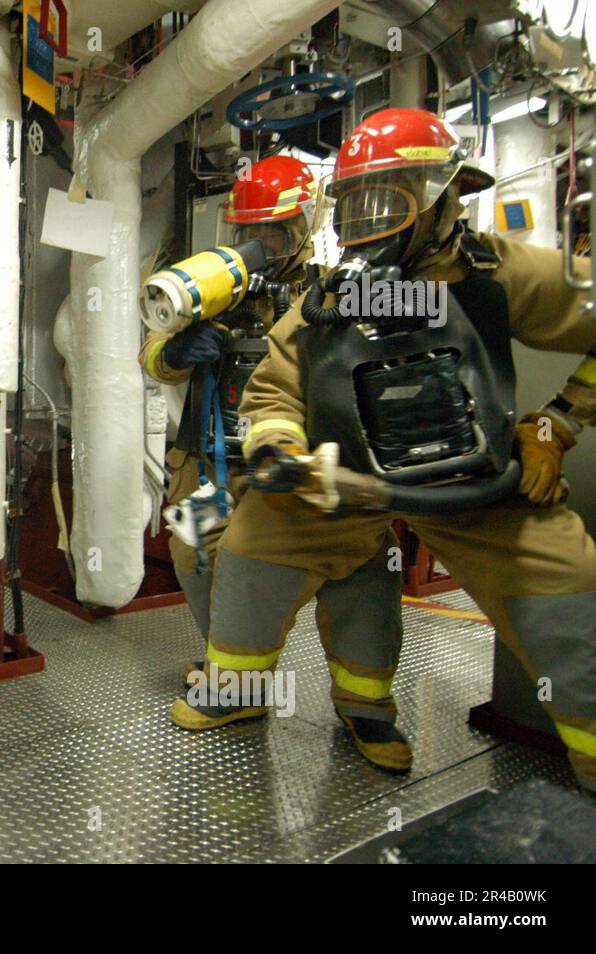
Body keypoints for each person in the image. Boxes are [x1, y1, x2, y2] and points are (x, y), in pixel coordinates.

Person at [198, 107, 596, 792]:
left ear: (445, 199)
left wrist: (556, 425)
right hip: (340, 480)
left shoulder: (500, 276)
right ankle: (241, 694)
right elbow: (275, 389)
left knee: (566, 585)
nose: (367, 225)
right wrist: (281, 448)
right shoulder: (329, 297)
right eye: (353, 207)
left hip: (474, 484)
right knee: (251, 546)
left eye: (385, 202)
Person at [141, 156, 410, 772]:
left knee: (360, 575)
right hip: (211, 464)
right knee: (194, 553)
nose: (262, 244)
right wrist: (176, 350)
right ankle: (237, 680)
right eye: (250, 231)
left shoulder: (332, 290)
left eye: (277, 232)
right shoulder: (213, 285)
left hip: (302, 466)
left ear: (306, 224)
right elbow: (151, 355)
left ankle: (367, 705)